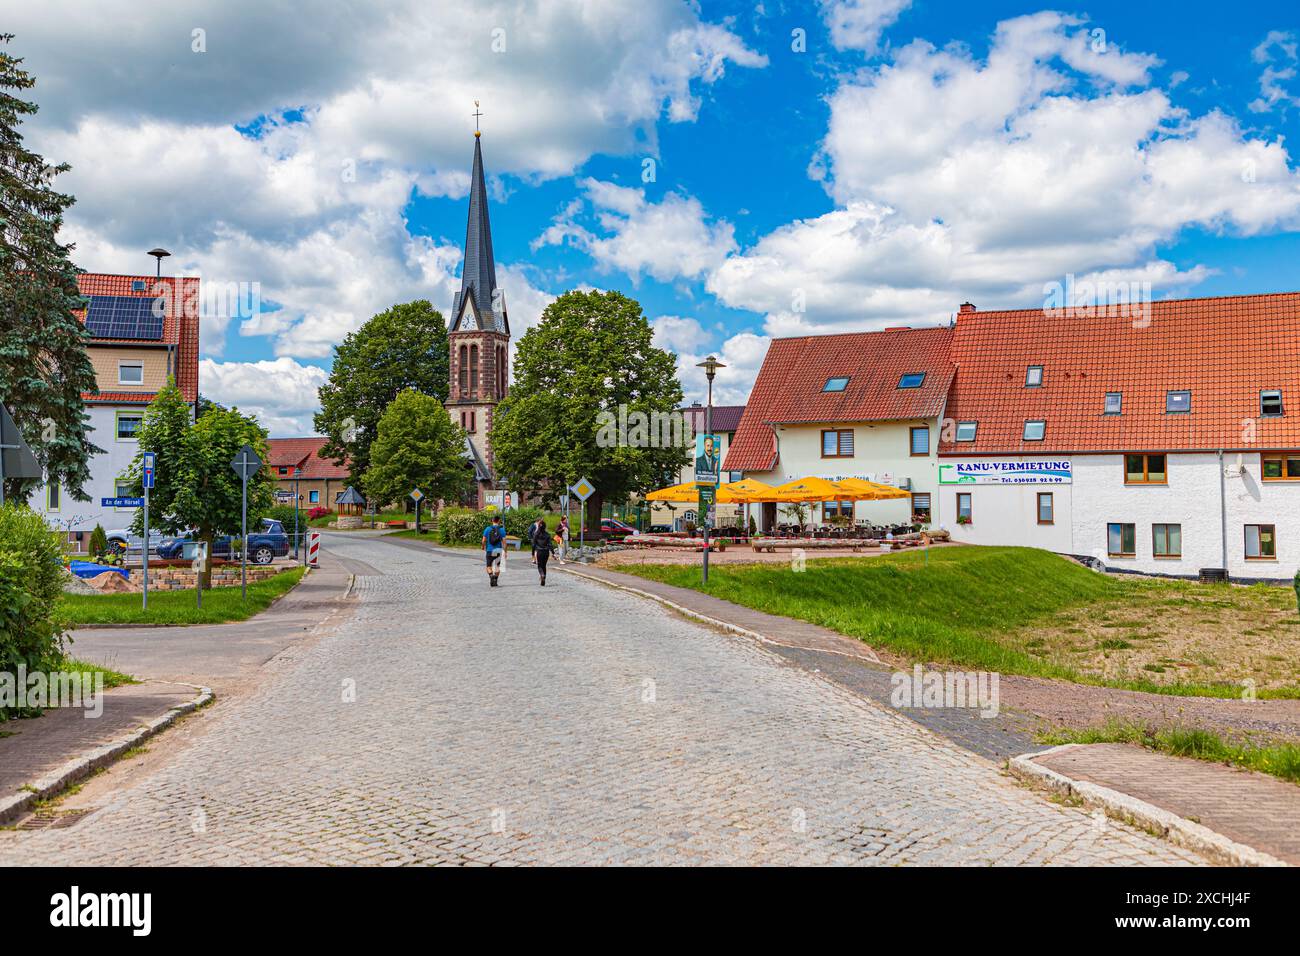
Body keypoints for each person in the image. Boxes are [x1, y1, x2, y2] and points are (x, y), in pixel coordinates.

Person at [482, 514, 506, 586]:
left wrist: (483, 546)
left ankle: (491, 576)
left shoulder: (487, 529)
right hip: (498, 550)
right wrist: (505, 551)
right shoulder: (501, 530)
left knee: (489, 566)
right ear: (499, 521)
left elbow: (483, 541)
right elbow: (504, 542)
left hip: (489, 550)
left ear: (492, 520)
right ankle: (495, 580)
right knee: (498, 566)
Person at [531, 518, 555, 586]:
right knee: (544, 565)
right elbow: (550, 544)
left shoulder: (536, 534)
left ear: (539, 526)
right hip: (546, 552)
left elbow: (533, 544)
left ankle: (542, 575)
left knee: (539, 566)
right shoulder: (547, 534)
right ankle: (544, 578)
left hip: (539, 551)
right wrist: (553, 553)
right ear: (545, 526)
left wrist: (533, 554)